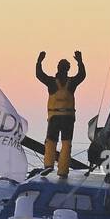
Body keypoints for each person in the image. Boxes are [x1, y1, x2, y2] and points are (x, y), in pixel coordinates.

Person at [36, 50, 86, 179]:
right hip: (68, 118)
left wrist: (39, 61)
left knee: (51, 141)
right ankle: (63, 171)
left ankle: (48, 166)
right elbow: (82, 75)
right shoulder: (71, 83)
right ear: (68, 70)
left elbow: (39, 75)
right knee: (66, 143)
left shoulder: (52, 83)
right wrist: (80, 62)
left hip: (54, 117)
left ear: (58, 68)